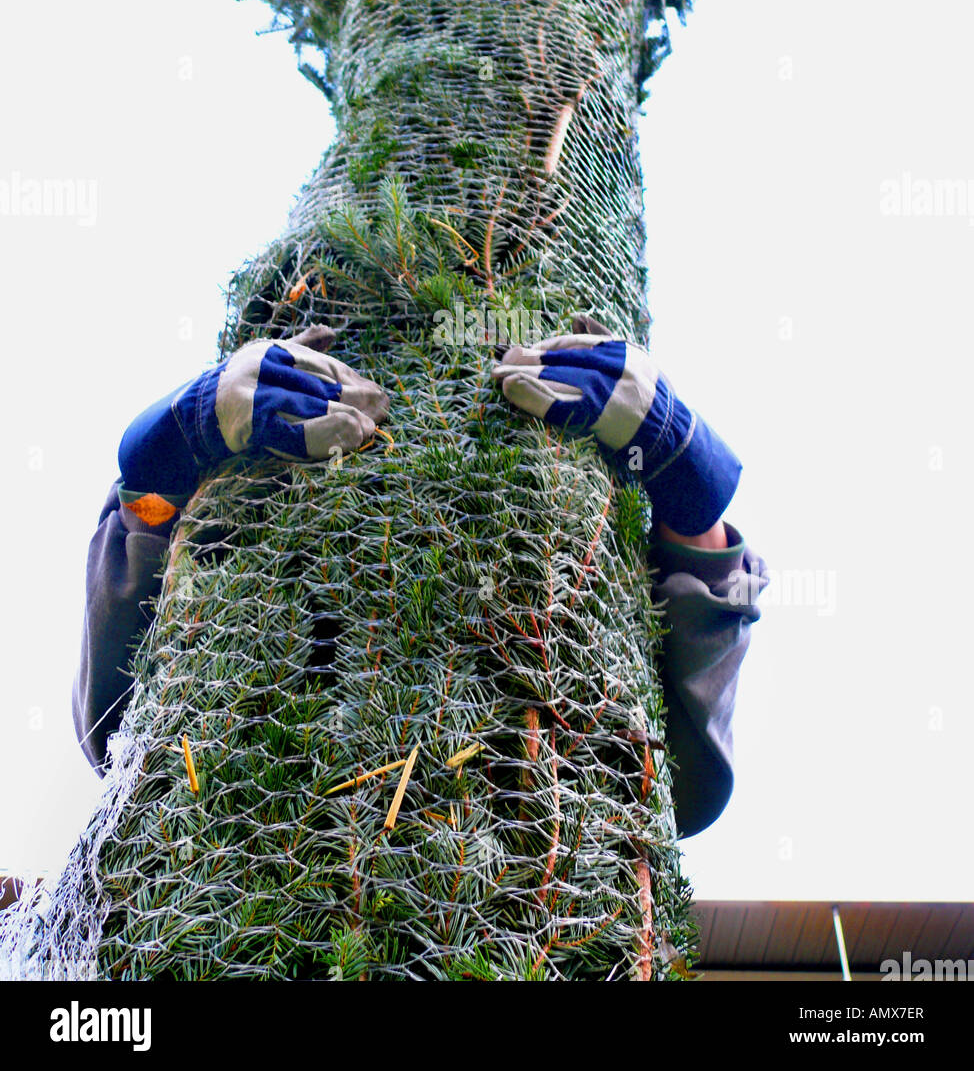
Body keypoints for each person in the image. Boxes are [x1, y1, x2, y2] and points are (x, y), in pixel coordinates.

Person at [73, 318, 767, 839]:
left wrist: (686, 479)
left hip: (506, 883)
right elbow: (115, 722)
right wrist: (163, 462)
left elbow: (687, 779)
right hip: (268, 872)